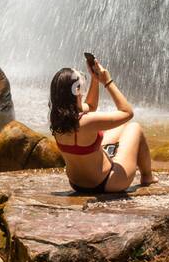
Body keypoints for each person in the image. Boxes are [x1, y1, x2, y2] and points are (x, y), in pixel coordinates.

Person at [48, 54, 154, 195]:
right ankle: (148, 177)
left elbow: (91, 106)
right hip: (108, 182)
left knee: (122, 128)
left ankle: (111, 155)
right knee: (134, 127)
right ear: (76, 91)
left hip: (77, 184)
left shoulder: (57, 118)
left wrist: (95, 79)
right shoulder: (87, 122)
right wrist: (107, 81)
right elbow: (127, 112)